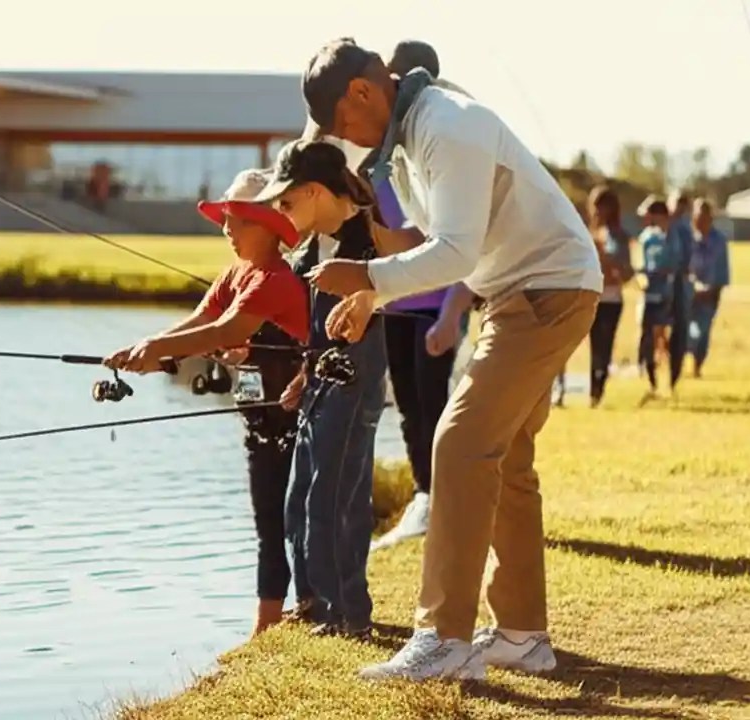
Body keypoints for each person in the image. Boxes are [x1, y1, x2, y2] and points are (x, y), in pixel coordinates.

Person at [292, 38, 602, 681]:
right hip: (523, 293)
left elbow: (455, 254)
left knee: (459, 444)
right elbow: (429, 240)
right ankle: (520, 634)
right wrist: (370, 295)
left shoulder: (448, 124)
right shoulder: (409, 140)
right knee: (505, 458)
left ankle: (444, 640)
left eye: (343, 124)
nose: (346, 137)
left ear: (363, 94)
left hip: (547, 290)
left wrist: (363, 275)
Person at [103, 168, 308, 638]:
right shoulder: (237, 274)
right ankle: (275, 622)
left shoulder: (273, 278)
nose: (226, 229)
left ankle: (284, 620)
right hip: (258, 419)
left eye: (233, 220)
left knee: (286, 522)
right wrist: (147, 347)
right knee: (267, 524)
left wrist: (157, 352)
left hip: (294, 419)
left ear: (262, 224)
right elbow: (202, 318)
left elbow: (225, 332)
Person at [252, 138, 390, 639]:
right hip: (318, 387)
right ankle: (312, 603)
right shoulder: (311, 250)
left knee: (333, 499)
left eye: (285, 203)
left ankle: (347, 615)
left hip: (355, 389)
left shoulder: (365, 245)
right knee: (298, 499)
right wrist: (302, 377)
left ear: (313, 192)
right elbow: (314, 333)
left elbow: (360, 327)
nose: (282, 215)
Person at [371, 38, 472, 550]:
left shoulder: (439, 138)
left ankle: (445, 497)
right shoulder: (389, 151)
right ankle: (424, 495)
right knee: (408, 405)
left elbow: (459, 236)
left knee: (434, 402)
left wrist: (452, 313)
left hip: (435, 304)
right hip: (395, 300)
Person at [587, 185, 635, 406]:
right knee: (593, 346)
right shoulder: (588, 234)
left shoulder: (620, 237)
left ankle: (598, 390)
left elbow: (626, 272)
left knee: (604, 345)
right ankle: (592, 389)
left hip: (612, 298)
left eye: (600, 206)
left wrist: (607, 259)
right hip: (591, 298)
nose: (597, 211)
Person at [636, 196, 678, 401]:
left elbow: (676, 263)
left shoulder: (671, 237)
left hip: (666, 294)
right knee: (647, 337)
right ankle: (651, 380)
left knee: (662, 336)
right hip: (648, 294)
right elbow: (641, 265)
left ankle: (670, 378)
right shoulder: (646, 237)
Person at [688, 198, 731, 378]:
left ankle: (697, 366)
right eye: (697, 217)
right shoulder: (688, 239)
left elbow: (721, 270)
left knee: (702, 332)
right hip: (688, 293)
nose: (700, 221)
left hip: (709, 295)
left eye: (704, 218)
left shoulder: (719, 241)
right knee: (685, 331)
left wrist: (711, 290)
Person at [666, 190, 696, 393]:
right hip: (661, 284)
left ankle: (674, 376)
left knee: (680, 329)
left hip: (678, 285)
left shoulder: (685, 229)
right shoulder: (662, 224)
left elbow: (687, 260)